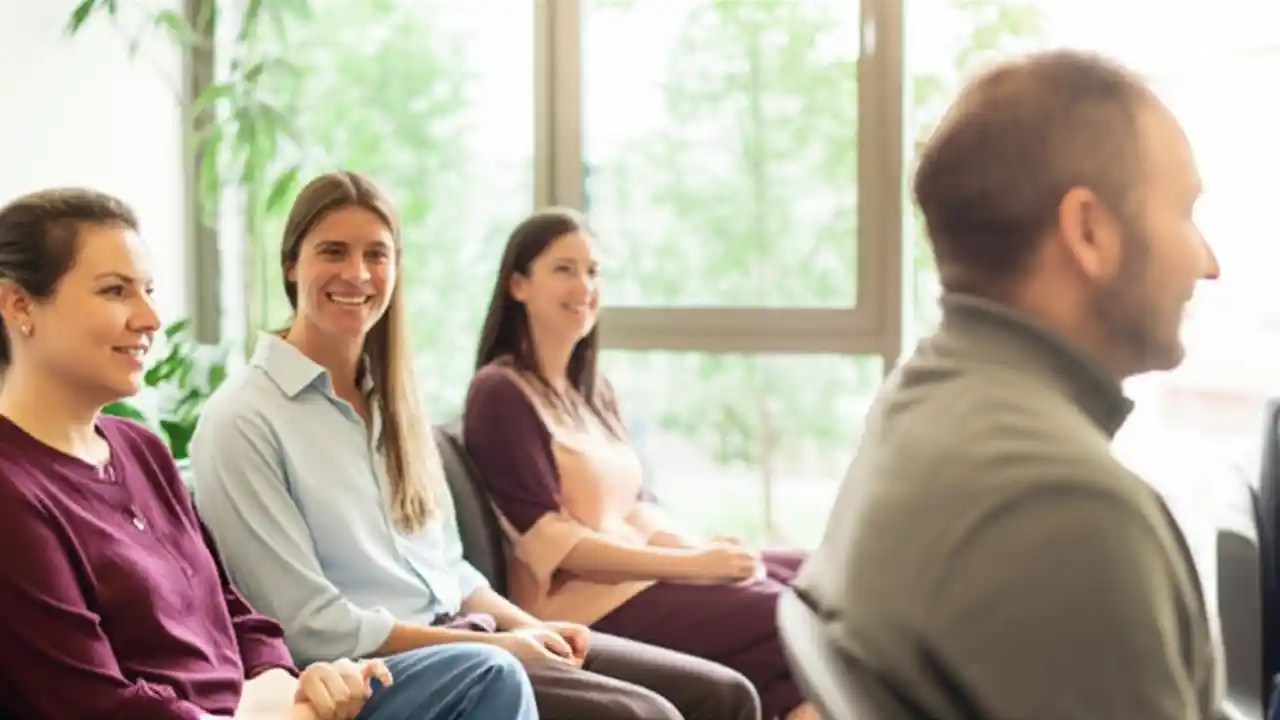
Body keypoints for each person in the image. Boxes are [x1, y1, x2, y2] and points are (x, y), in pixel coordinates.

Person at [191, 170, 759, 720]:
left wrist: (523, 626)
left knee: (725, 697)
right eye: (333, 251)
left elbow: (450, 570)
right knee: (645, 716)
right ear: (292, 264)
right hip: (380, 673)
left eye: (377, 254)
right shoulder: (243, 420)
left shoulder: (394, 407)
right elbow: (309, 625)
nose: (357, 274)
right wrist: (504, 648)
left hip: (469, 637)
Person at [0, 188, 535, 720]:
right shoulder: (14, 490)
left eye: (148, 290)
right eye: (116, 291)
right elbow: (91, 704)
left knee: (485, 680)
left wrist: (290, 683)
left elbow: (237, 613)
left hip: (262, 706)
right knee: (490, 675)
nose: (150, 318)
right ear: (18, 304)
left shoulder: (140, 450)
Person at [797, 50, 1221, 718]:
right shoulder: (1062, 506)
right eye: (1186, 212)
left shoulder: (920, 406)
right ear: (1089, 232)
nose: (1209, 262)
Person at [463, 207, 818, 720]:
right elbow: (555, 547)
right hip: (585, 605)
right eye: (564, 269)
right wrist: (692, 568)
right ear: (518, 285)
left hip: (642, 582)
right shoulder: (499, 392)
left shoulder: (593, 393)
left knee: (817, 578)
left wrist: (705, 551)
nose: (584, 285)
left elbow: (639, 511)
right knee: (787, 613)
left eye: (593, 271)